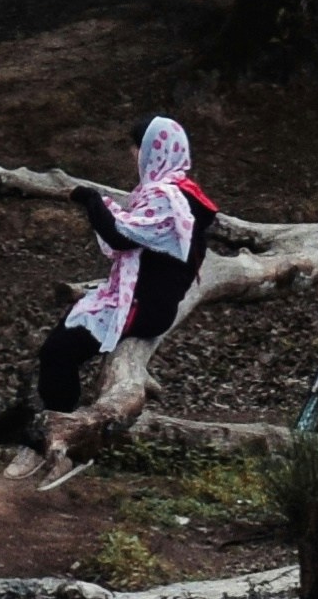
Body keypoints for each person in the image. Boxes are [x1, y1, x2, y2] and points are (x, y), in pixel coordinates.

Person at [27, 116, 215, 480]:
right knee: (63, 341)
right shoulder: (182, 192)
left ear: (153, 150)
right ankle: (57, 432)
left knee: (57, 351)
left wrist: (92, 200)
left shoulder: (167, 197)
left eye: (137, 148)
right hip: (151, 300)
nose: (133, 156)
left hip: (142, 307)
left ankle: (64, 440)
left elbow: (120, 237)